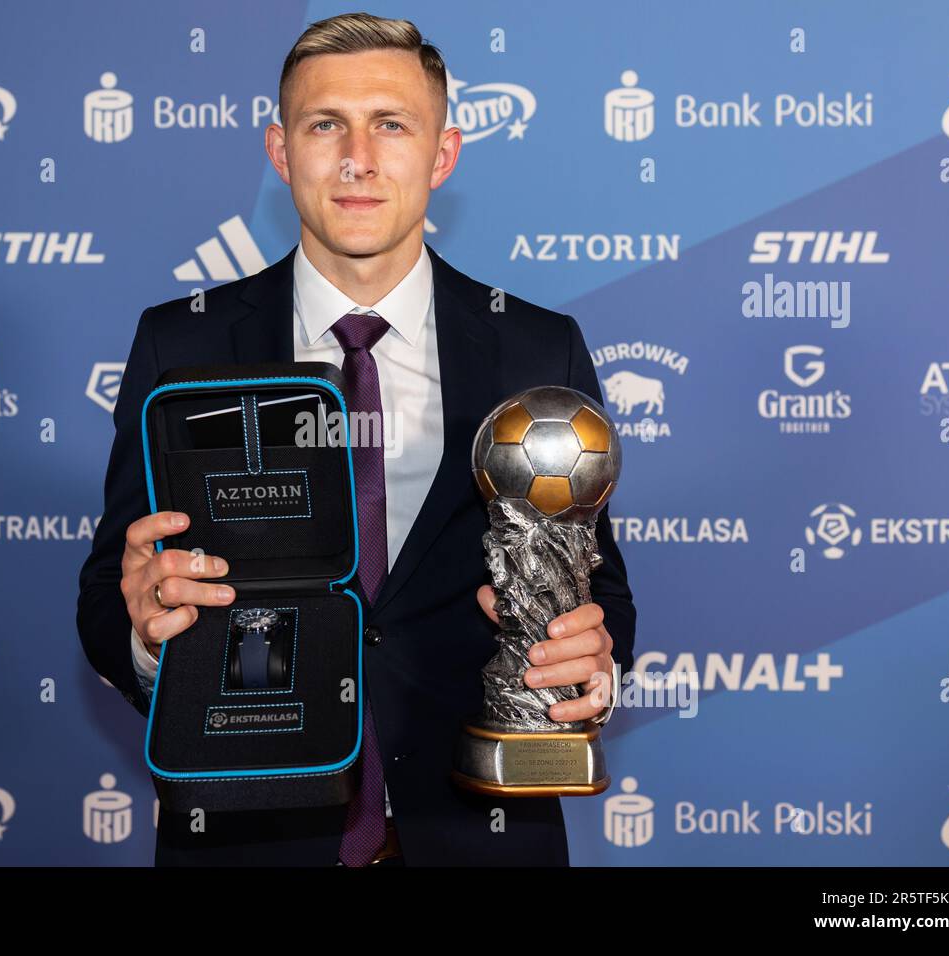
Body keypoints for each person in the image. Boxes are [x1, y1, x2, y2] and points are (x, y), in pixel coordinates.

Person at [77, 11, 636, 867]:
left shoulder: (534, 346)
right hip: (250, 834)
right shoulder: (181, 344)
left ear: (442, 155)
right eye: (324, 124)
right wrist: (146, 635)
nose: (357, 160)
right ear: (279, 150)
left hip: (475, 831)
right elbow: (108, 586)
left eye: (391, 125)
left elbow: (599, 590)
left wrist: (589, 669)